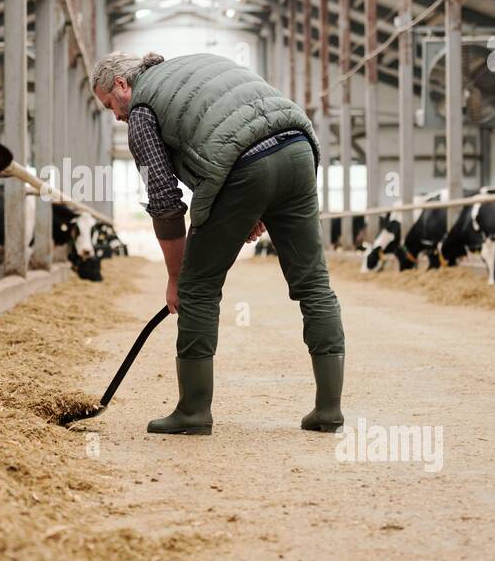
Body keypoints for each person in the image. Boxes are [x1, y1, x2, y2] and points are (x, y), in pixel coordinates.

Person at [89, 50, 345, 435]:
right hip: (298, 149)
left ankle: (192, 412)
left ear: (122, 86)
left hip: (244, 164)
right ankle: (329, 411)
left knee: (198, 289)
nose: (115, 115)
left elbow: (164, 200)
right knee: (313, 283)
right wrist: (257, 207)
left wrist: (177, 279)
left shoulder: (142, 111)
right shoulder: (201, 63)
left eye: (110, 104)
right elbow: (255, 128)